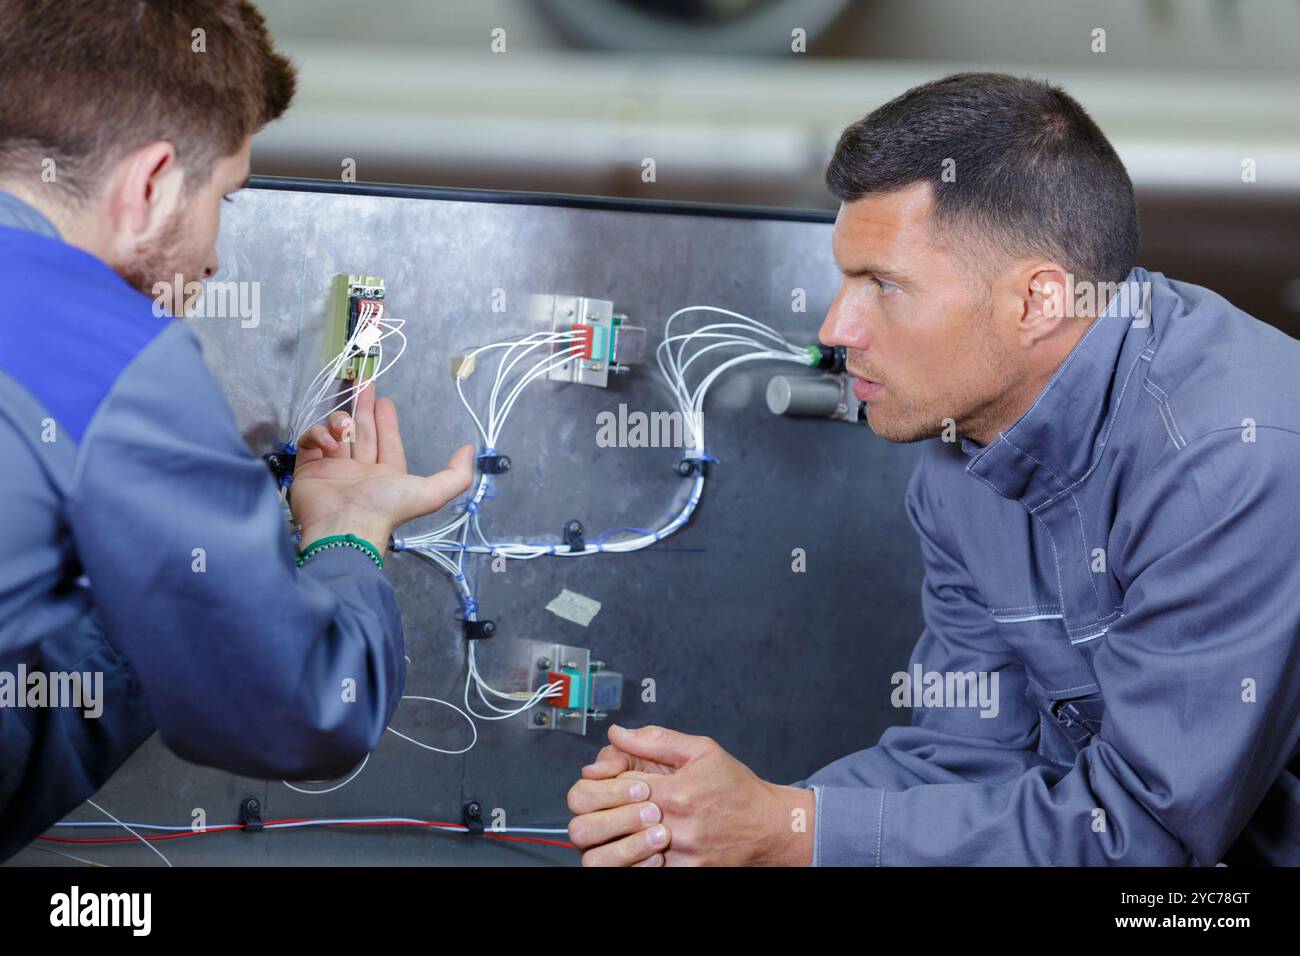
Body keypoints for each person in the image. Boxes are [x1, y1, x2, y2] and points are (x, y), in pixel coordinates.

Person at [565, 72, 1300, 866]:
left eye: (882, 285)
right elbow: (969, 760)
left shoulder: (1234, 457)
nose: (835, 328)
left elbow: (1146, 840)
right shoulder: (960, 464)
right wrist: (712, 816)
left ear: (1038, 301)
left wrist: (788, 832)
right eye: (846, 279)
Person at [0, 0, 472, 861]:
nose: (215, 257)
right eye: (224, 196)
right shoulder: (101, 350)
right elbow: (303, 709)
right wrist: (348, 533)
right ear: (148, 186)